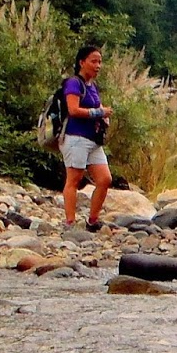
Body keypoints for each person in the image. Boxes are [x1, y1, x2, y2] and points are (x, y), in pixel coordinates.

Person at [61, 44, 113, 231]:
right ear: (82, 62)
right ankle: (70, 222)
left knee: (105, 179)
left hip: (93, 139)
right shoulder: (74, 83)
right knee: (74, 180)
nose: (98, 65)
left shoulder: (93, 86)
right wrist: (98, 112)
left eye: (99, 61)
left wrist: (103, 116)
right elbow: (73, 110)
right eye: (93, 61)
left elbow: (96, 107)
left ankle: (92, 220)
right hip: (76, 137)